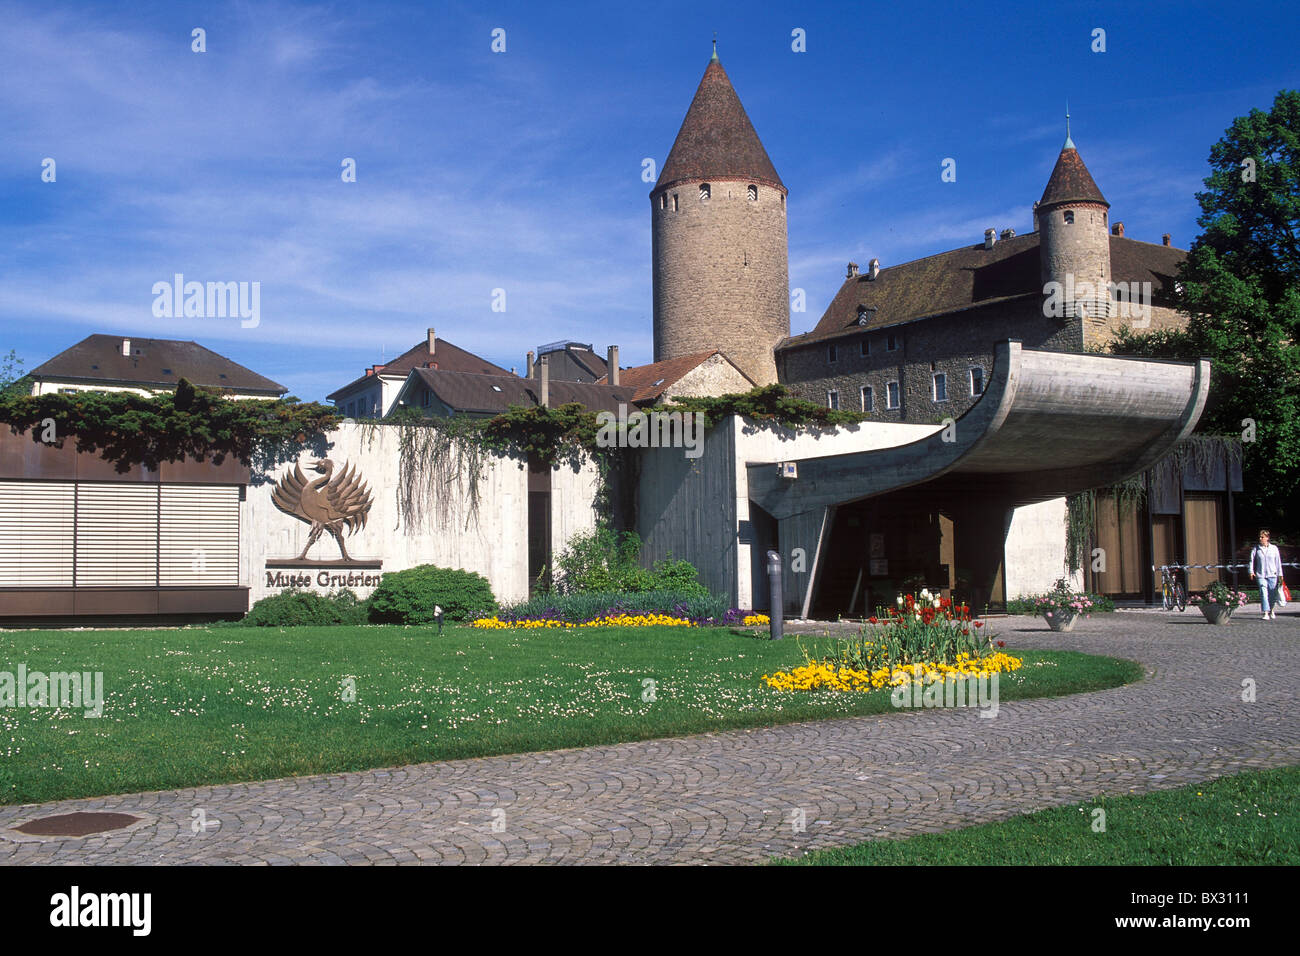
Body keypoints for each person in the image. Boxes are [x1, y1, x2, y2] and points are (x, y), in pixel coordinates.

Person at [1249, 529, 1283, 620]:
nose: (1260, 538)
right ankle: (1266, 612)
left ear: (1267, 538)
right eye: (1260, 537)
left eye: (1262, 537)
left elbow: (1278, 562)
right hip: (1261, 575)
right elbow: (1251, 561)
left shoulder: (1274, 548)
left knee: (1272, 594)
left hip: (1272, 574)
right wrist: (1251, 571)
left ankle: (1271, 609)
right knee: (1263, 593)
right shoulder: (1256, 549)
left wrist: (1280, 574)